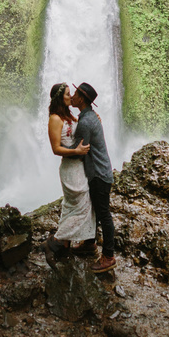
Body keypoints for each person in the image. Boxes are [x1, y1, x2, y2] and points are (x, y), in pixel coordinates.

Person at [45, 83, 97, 264]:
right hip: (70, 167)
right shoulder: (55, 118)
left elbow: (81, 129)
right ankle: (56, 241)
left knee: (70, 206)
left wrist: (93, 118)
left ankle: (64, 246)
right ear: (61, 97)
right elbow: (56, 148)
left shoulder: (70, 116)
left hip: (79, 166)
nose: (71, 96)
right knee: (82, 204)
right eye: (68, 94)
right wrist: (75, 152)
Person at [70, 82, 116, 273]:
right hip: (101, 171)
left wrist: (60, 148)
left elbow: (79, 150)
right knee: (94, 210)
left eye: (75, 94)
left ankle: (109, 256)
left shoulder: (86, 121)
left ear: (81, 99)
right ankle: (89, 243)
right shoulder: (88, 116)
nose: (72, 96)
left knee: (104, 214)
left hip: (98, 174)